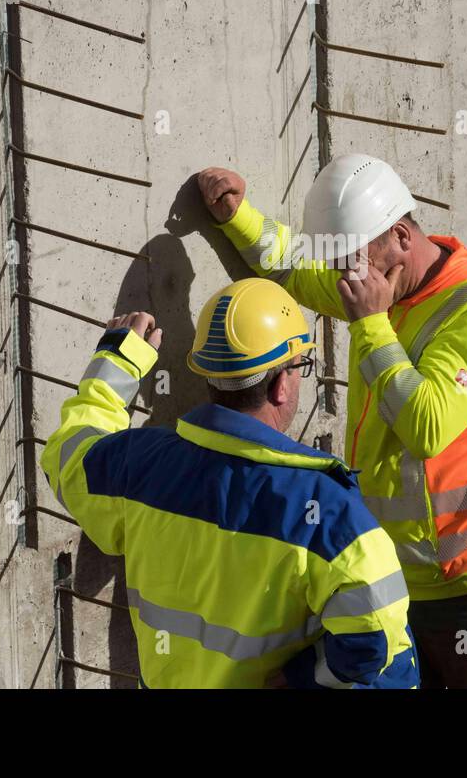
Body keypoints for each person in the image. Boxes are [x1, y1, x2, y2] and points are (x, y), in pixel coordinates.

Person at [198, 154, 467, 688]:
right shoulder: (378, 280)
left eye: (352, 259)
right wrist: (238, 216)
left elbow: (426, 427)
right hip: (408, 584)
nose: (345, 276)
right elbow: (293, 267)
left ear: (401, 237)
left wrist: (370, 323)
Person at [39, 277, 418, 688]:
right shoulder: (325, 510)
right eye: (300, 367)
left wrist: (118, 361)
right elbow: (376, 634)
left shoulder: (141, 465)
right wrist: (302, 677)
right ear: (281, 385)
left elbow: (66, 460)